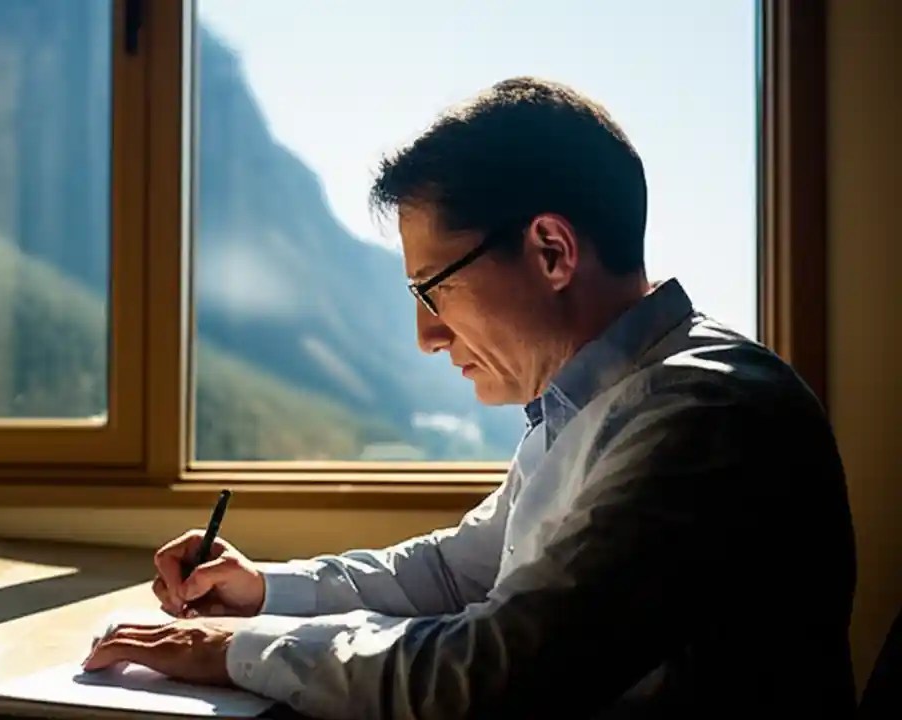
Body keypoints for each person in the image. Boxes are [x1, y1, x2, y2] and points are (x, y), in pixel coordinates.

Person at [83, 77, 857, 719]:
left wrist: (232, 652)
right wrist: (262, 592)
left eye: (434, 289)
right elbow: (458, 576)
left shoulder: (701, 416)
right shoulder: (589, 401)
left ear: (551, 251)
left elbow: (492, 673)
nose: (427, 334)